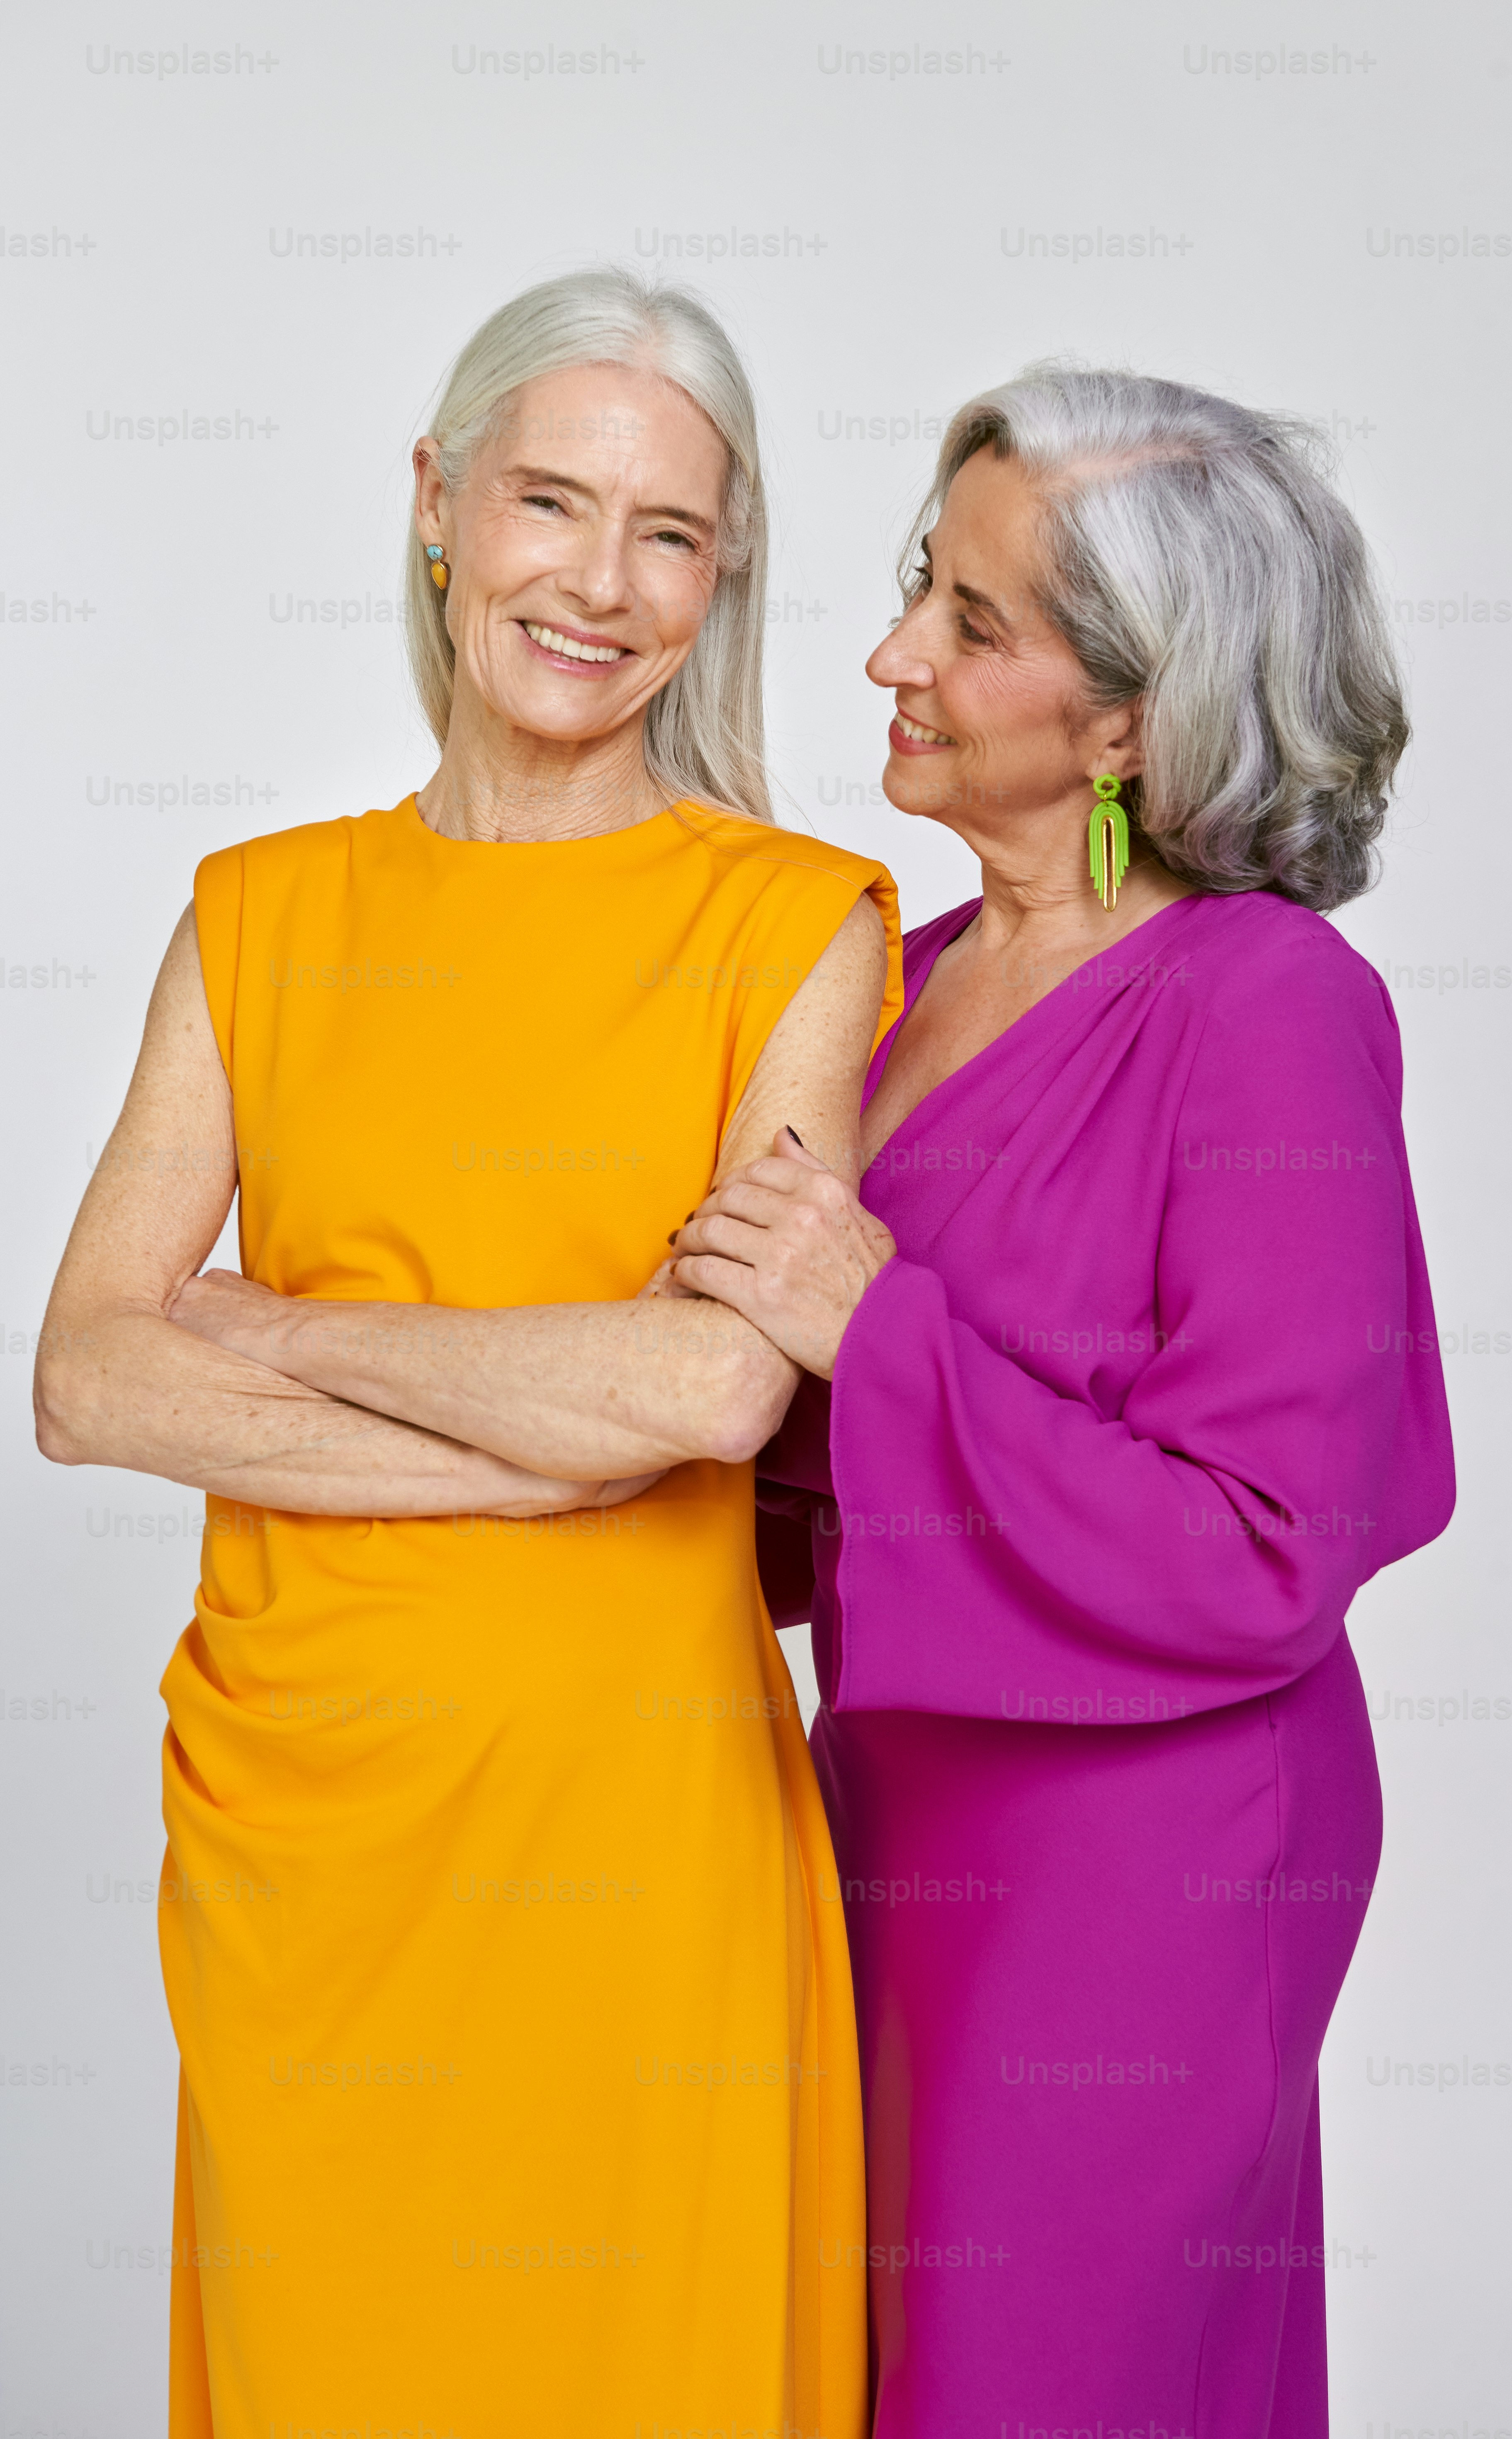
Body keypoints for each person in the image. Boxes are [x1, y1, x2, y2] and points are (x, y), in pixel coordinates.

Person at [34, 268, 899, 2437]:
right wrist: (547, 1431)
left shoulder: (797, 919)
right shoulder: (256, 912)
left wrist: (290, 1327)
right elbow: (84, 1379)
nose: (598, 581)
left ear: (724, 578)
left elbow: (712, 1392)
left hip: (634, 1854)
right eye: (546, 500)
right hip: (304, 1847)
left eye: (671, 533)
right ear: (435, 504)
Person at [668, 365, 1455, 2437]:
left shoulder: (1266, 1009)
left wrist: (868, 1322)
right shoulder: (892, 980)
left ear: (1132, 718)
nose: (888, 652)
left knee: (1037, 2383)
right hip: (886, 1801)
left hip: (1147, 1851)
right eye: (921, 581)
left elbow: (1266, 1545)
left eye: (974, 623)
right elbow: (793, 1453)